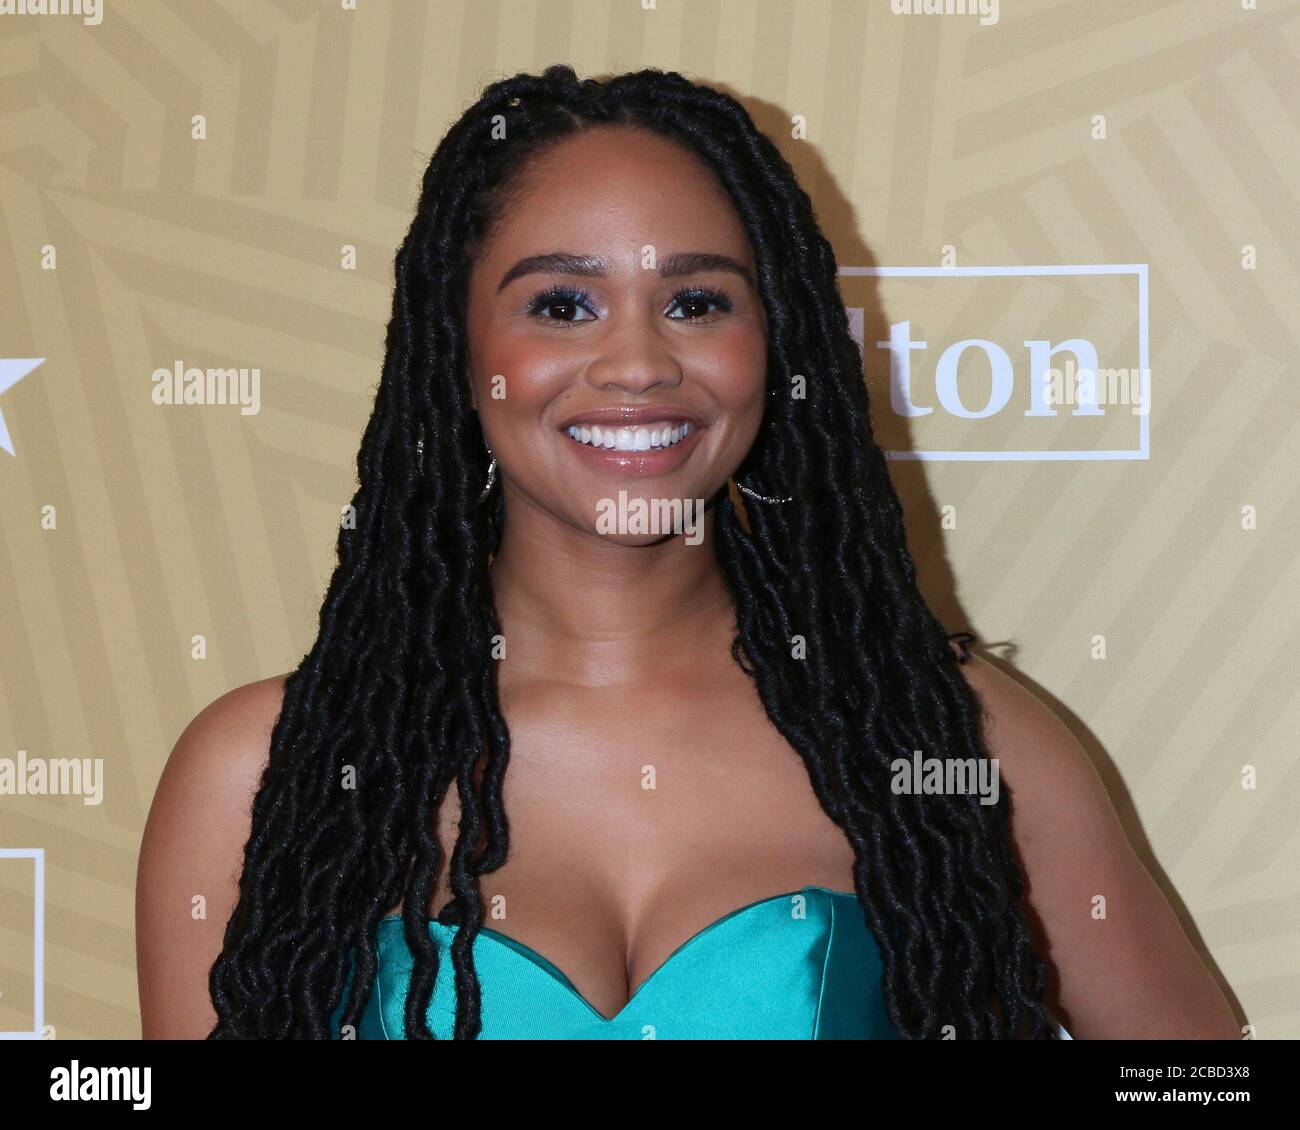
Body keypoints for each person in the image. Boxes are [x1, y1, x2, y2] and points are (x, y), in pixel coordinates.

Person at [136, 65, 1239, 1040]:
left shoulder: (950, 737)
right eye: (562, 303)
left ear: (777, 342)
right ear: (457, 353)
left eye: (696, 300)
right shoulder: (255, 771)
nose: (636, 362)